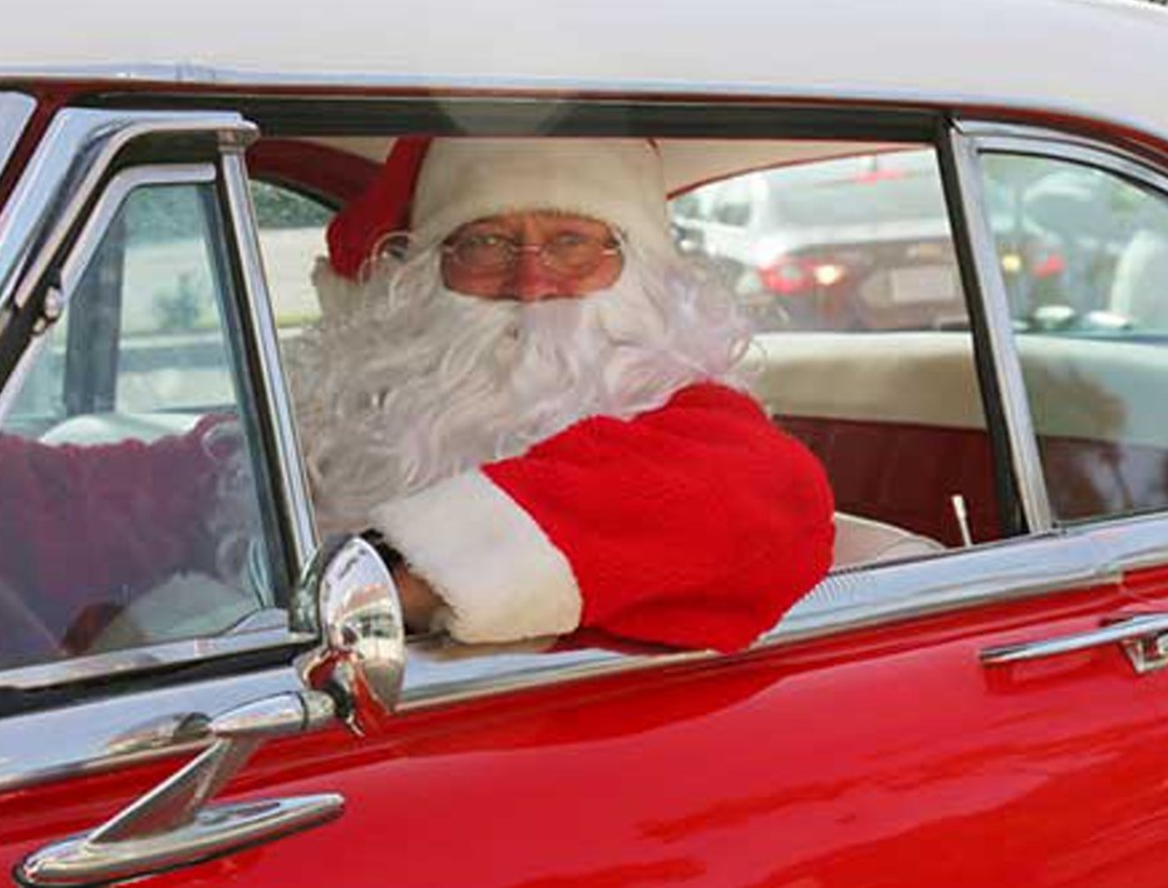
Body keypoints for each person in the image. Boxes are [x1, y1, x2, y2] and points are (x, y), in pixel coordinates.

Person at [290, 137, 836, 653]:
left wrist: (399, 578)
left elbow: (770, 491)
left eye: (570, 242)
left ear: (641, 271)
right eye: (486, 243)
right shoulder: (333, 428)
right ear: (428, 275)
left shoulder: (683, 407)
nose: (531, 281)